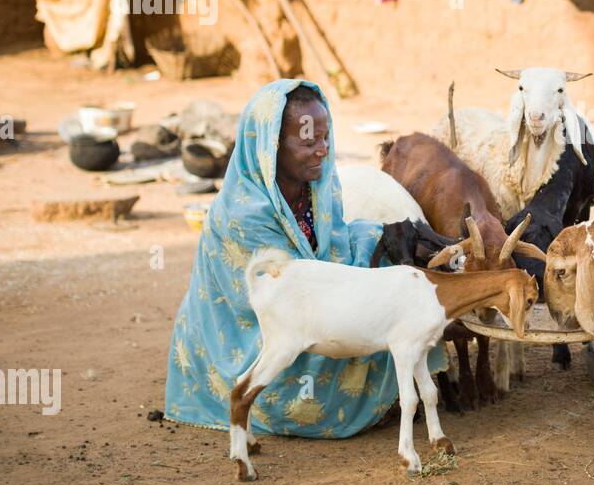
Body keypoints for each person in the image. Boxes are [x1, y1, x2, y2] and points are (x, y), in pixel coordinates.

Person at [163, 79, 444, 437]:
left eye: (326, 138)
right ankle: (375, 401)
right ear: (270, 145)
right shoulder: (242, 216)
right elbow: (281, 296)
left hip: (313, 292)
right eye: (309, 141)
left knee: (393, 265)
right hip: (263, 331)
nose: (322, 151)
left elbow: (334, 245)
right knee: (372, 315)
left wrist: (384, 243)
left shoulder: (318, 187)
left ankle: (404, 391)